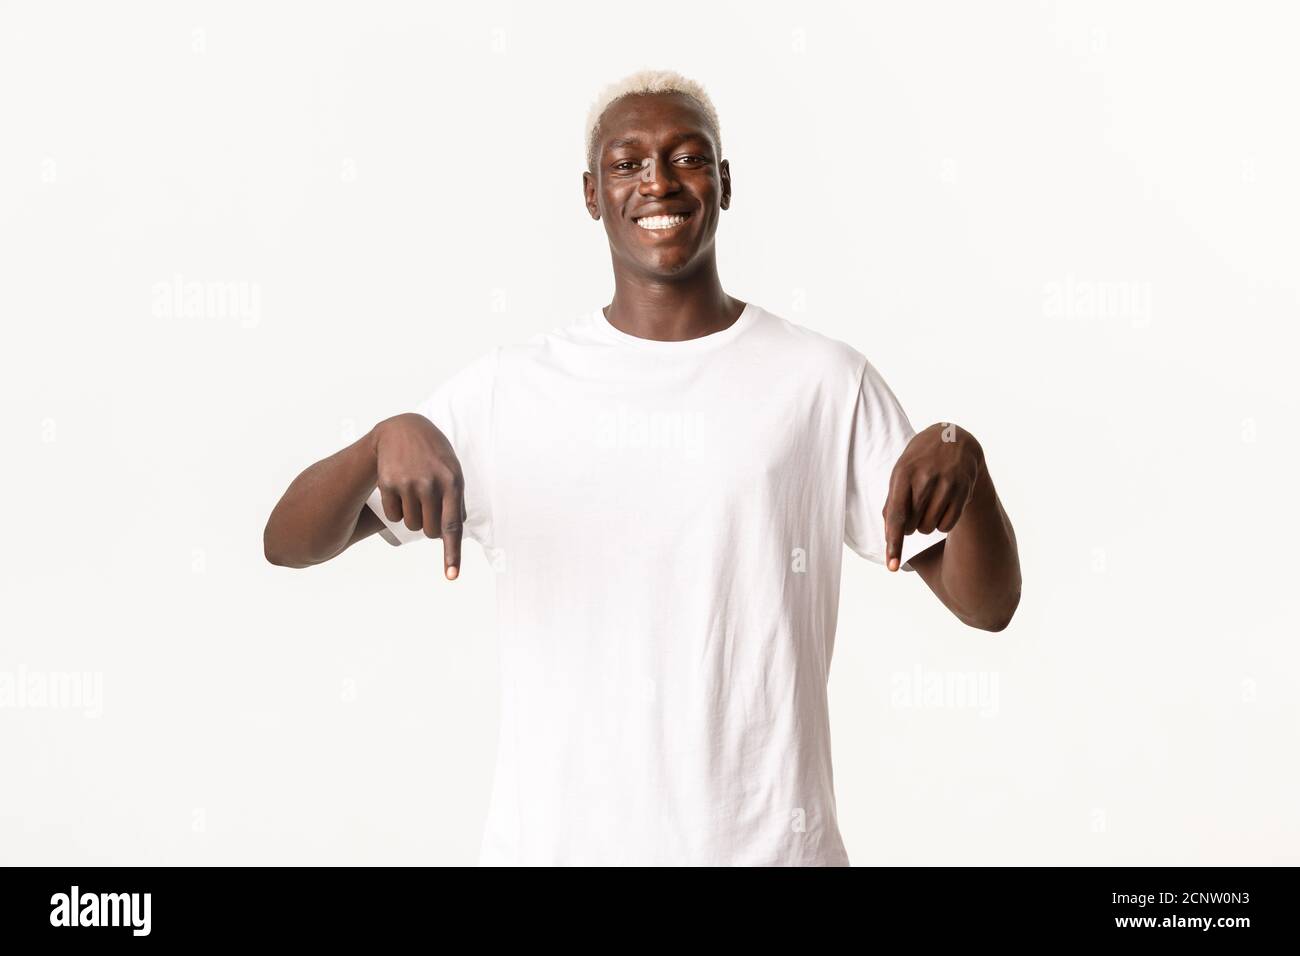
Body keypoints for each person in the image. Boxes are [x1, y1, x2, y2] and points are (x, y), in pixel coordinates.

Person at [263, 69, 1022, 866]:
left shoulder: (822, 380)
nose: (657, 179)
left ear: (724, 184)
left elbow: (987, 604)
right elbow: (289, 541)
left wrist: (968, 464)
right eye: (626, 164)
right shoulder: (508, 392)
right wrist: (379, 440)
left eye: (687, 157)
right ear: (591, 195)